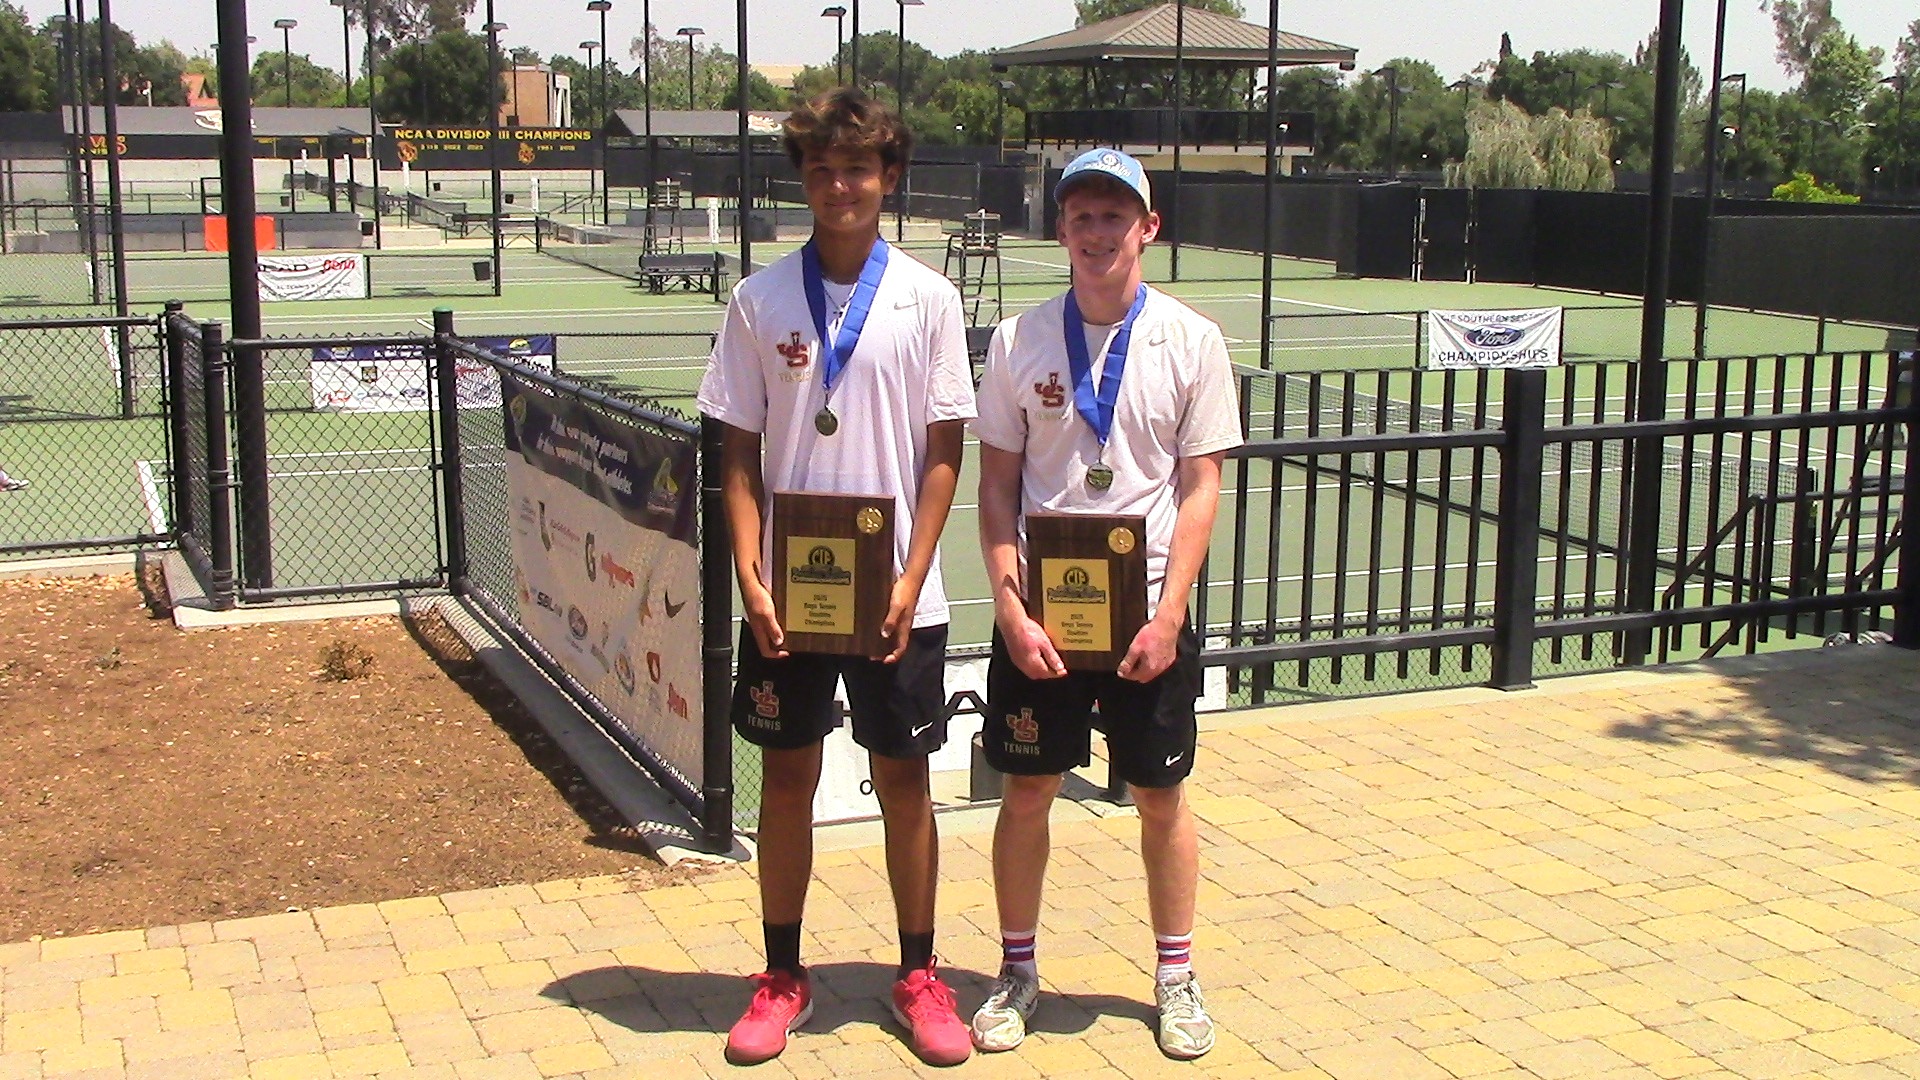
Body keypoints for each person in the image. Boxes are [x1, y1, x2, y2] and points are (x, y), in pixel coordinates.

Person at [695, 88, 976, 1068]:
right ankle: (781, 975)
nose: (838, 184)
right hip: (791, 593)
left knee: (905, 781)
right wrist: (750, 571)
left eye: (857, 167)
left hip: (900, 595)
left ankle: (919, 974)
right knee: (787, 778)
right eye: (820, 168)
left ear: (889, 177)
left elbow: (946, 451)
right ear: (803, 178)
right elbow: (736, 449)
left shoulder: (930, 300)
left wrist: (911, 576)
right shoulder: (759, 298)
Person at [967, 147, 1241, 1059]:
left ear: (1147, 229)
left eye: (1114, 217)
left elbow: (1199, 488)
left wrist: (1169, 615)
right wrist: (1010, 607)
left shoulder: (1193, 340)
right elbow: (997, 487)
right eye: (1081, 216)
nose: (1096, 233)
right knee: (1029, 791)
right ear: (1062, 231)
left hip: (1145, 618)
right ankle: (1016, 969)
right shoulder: (1017, 341)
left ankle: (1175, 976)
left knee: (1160, 797)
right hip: (1043, 614)